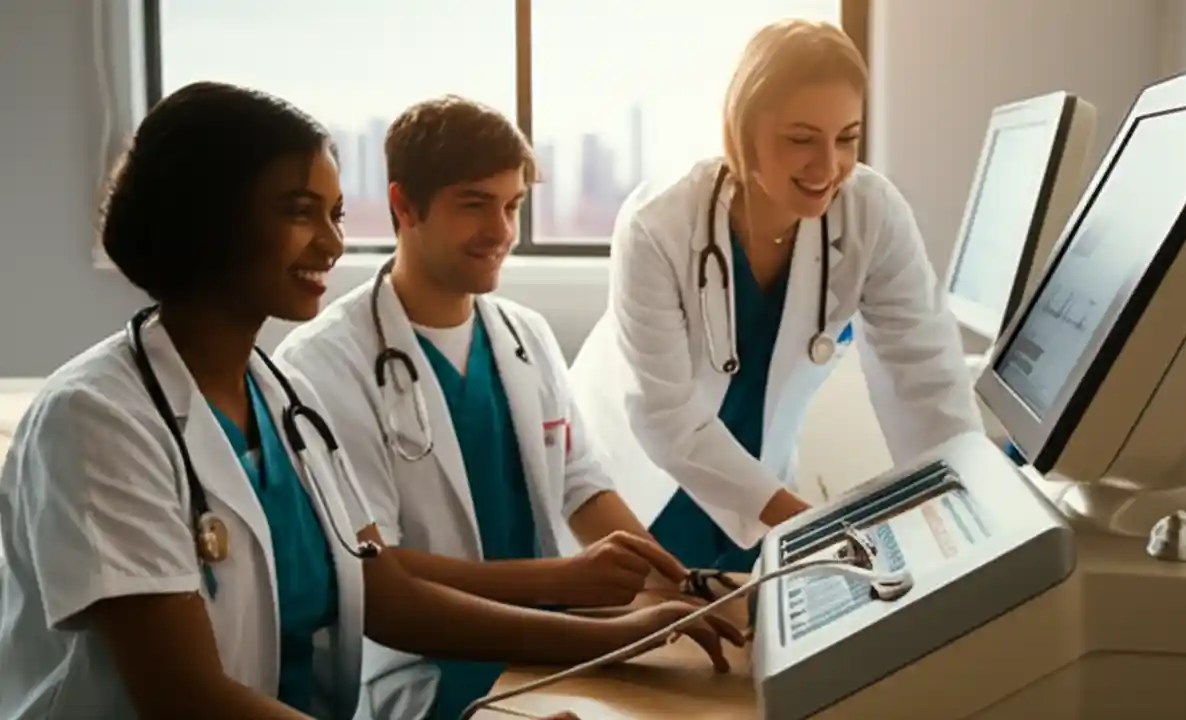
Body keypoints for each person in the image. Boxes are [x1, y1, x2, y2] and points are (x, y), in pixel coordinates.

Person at [0, 82, 741, 720]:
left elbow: (382, 589)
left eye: (333, 214)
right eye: (298, 211)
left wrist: (622, 634)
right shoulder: (98, 420)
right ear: (210, 217)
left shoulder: (278, 397)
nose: (330, 243)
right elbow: (184, 696)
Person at [276, 95, 703, 720]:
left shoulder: (524, 335)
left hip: (548, 644)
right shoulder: (324, 363)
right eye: (474, 204)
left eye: (513, 205)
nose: (502, 230)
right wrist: (562, 579)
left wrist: (684, 584)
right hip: (422, 671)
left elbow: (582, 488)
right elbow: (380, 569)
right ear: (403, 205)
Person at [569, 19, 983, 572]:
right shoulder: (657, 224)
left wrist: (970, 507)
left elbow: (927, 379)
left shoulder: (872, 215)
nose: (829, 165)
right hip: (640, 484)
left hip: (757, 487)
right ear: (743, 132)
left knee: (755, 638)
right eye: (800, 139)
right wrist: (814, 525)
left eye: (847, 138)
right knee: (656, 634)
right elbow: (666, 418)